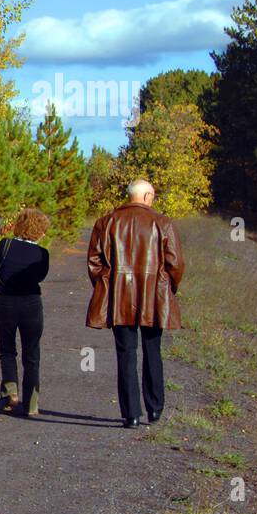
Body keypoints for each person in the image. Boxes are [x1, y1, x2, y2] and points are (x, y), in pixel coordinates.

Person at [86, 179, 185, 428]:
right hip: (154, 296)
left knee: (125, 353)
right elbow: (175, 264)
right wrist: (168, 288)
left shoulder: (105, 223)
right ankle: (155, 409)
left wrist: (106, 285)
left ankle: (130, 415)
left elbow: (94, 262)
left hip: (119, 297)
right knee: (153, 350)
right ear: (148, 196)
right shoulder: (162, 223)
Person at [0, 208, 51, 416]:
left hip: (5, 302)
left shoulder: (5, 245)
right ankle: (32, 405)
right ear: (40, 231)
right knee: (32, 354)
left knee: (7, 350)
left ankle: (10, 392)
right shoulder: (42, 254)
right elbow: (41, 277)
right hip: (31, 304)